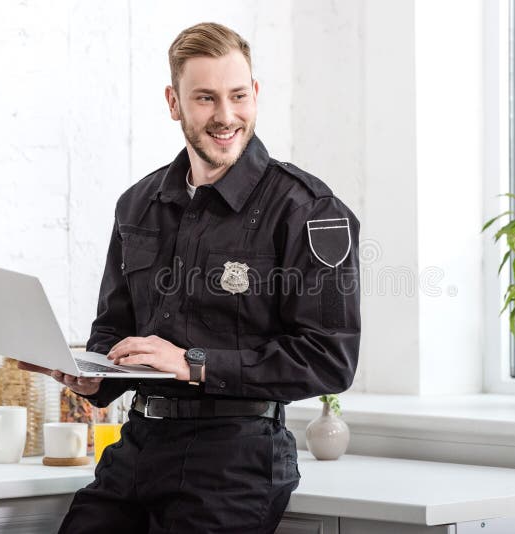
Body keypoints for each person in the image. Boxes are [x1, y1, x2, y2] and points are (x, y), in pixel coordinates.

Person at [20, 21, 360, 534]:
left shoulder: (309, 210)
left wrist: (193, 364)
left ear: (256, 95)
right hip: (136, 448)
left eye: (238, 96)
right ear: (174, 102)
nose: (226, 117)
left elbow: (330, 359)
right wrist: (94, 378)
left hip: (236, 461)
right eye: (205, 98)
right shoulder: (138, 204)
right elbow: (113, 333)